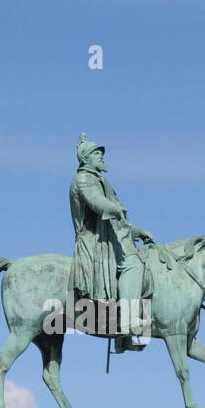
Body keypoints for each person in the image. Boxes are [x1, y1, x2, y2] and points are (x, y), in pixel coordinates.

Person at [68, 133, 158, 350]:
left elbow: (119, 224)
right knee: (133, 265)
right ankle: (127, 323)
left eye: (101, 154)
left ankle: (125, 337)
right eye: (96, 154)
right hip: (96, 242)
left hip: (109, 238)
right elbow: (98, 203)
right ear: (86, 158)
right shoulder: (84, 179)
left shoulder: (101, 180)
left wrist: (138, 231)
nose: (101, 157)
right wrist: (116, 208)